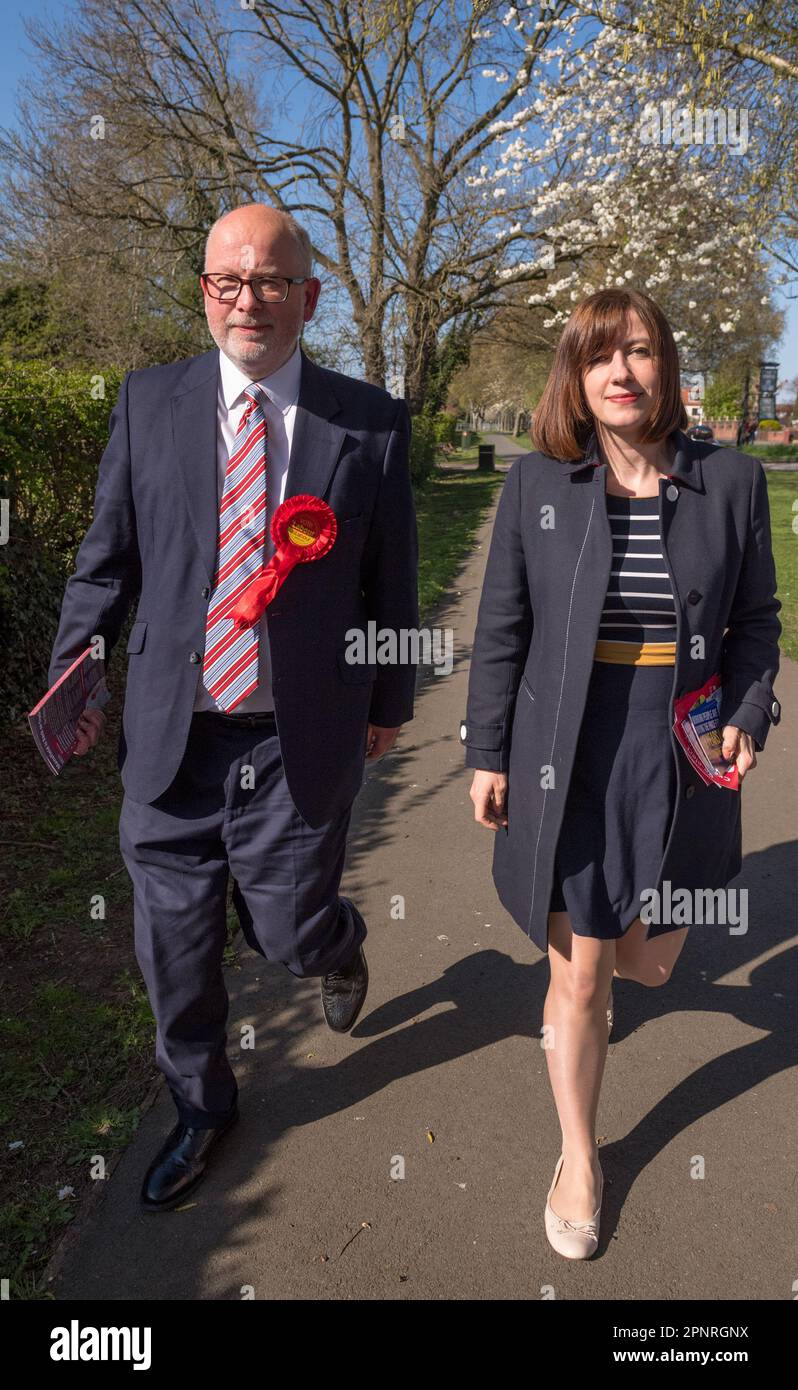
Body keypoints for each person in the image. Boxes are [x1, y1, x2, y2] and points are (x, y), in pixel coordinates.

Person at [47, 203, 419, 1212]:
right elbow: (103, 566)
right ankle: (204, 1108)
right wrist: (75, 674)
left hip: (297, 742)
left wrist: (390, 696)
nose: (245, 300)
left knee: (288, 933)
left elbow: (392, 580)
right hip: (172, 741)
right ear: (204, 290)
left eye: (267, 281)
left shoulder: (369, 423)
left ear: (308, 295)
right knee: (172, 955)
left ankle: (336, 945)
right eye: (226, 281)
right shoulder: (148, 403)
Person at [461, 288, 781, 1259]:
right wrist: (485, 751)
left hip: (680, 750)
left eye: (639, 352)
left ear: (665, 367)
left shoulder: (732, 481)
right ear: (578, 373)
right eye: (602, 355)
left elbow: (758, 622)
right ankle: (579, 1153)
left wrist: (750, 708)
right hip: (570, 750)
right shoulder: (537, 486)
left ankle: (598, 988)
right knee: (587, 974)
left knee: (655, 957)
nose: (622, 372)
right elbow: (501, 632)